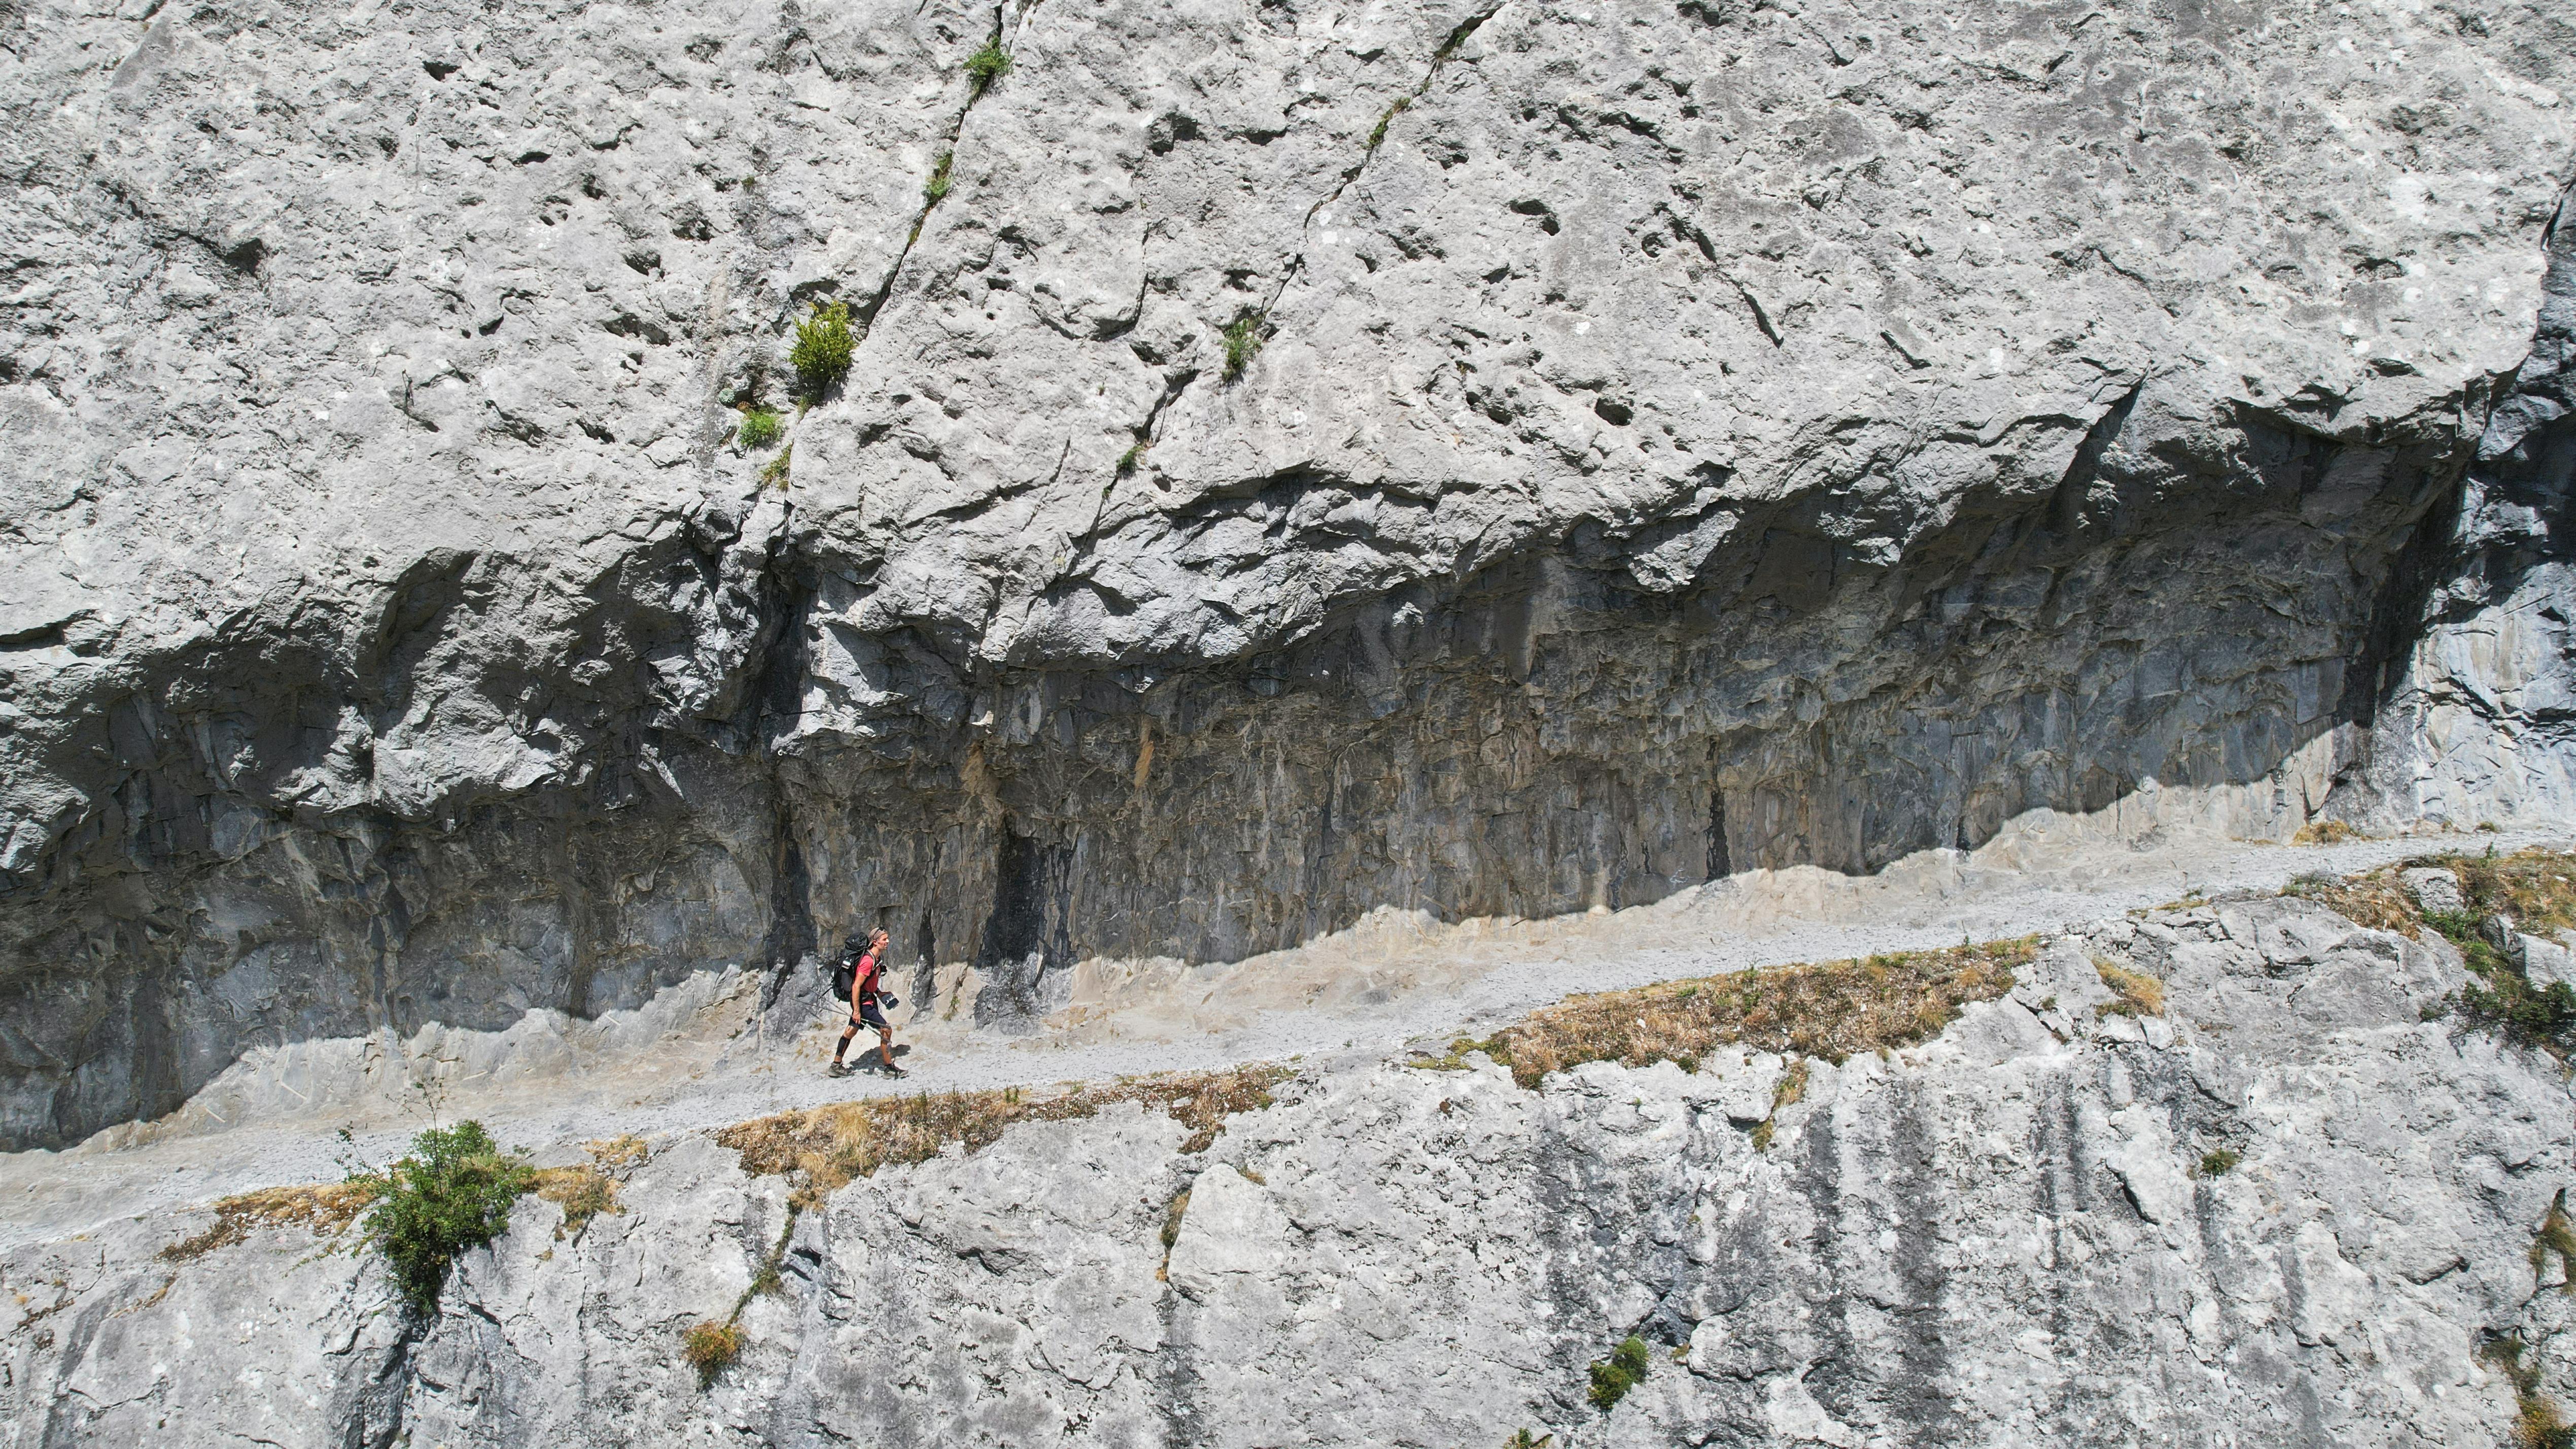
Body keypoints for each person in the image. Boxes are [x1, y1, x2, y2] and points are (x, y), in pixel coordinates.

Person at [829, 928, 904, 1078]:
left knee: (851, 1030)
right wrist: (857, 1011)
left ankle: (836, 1065)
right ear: (875, 942)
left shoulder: (875, 959)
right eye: (884, 939)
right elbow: (856, 986)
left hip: (868, 998)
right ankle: (889, 1068)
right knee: (886, 1030)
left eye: (887, 938)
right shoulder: (868, 961)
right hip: (863, 1003)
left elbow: (866, 983)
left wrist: (879, 993)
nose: (887, 942)